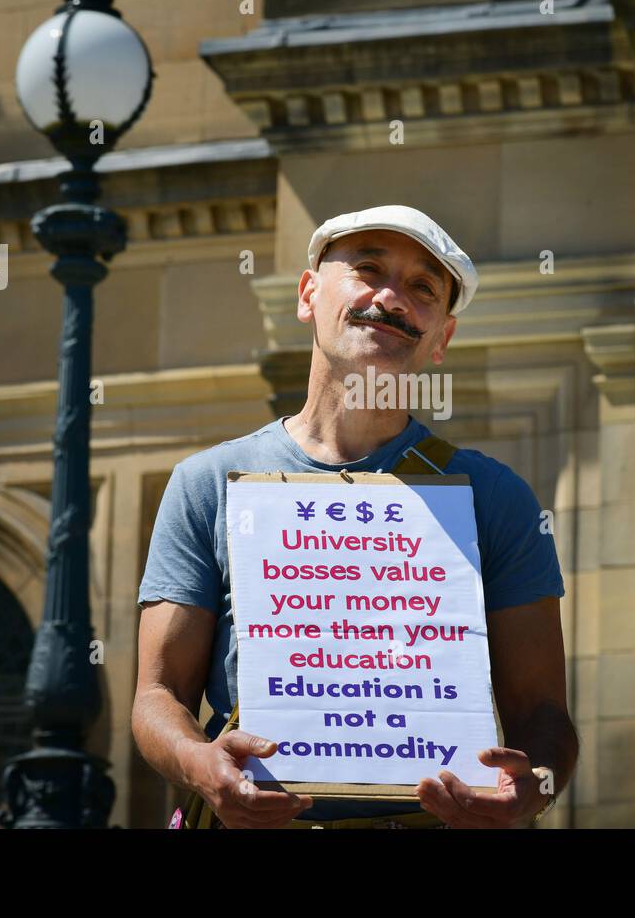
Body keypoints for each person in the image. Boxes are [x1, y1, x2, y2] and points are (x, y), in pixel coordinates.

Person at [132, 204, 578, 828]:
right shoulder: (206, 485)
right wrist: (197, 761)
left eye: (424, 288)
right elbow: (158, 696)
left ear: (442, 337)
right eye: (368, 269)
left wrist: (537, 783)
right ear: (308, 294)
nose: (392, 298)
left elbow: (544, 713)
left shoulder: (496, 499)